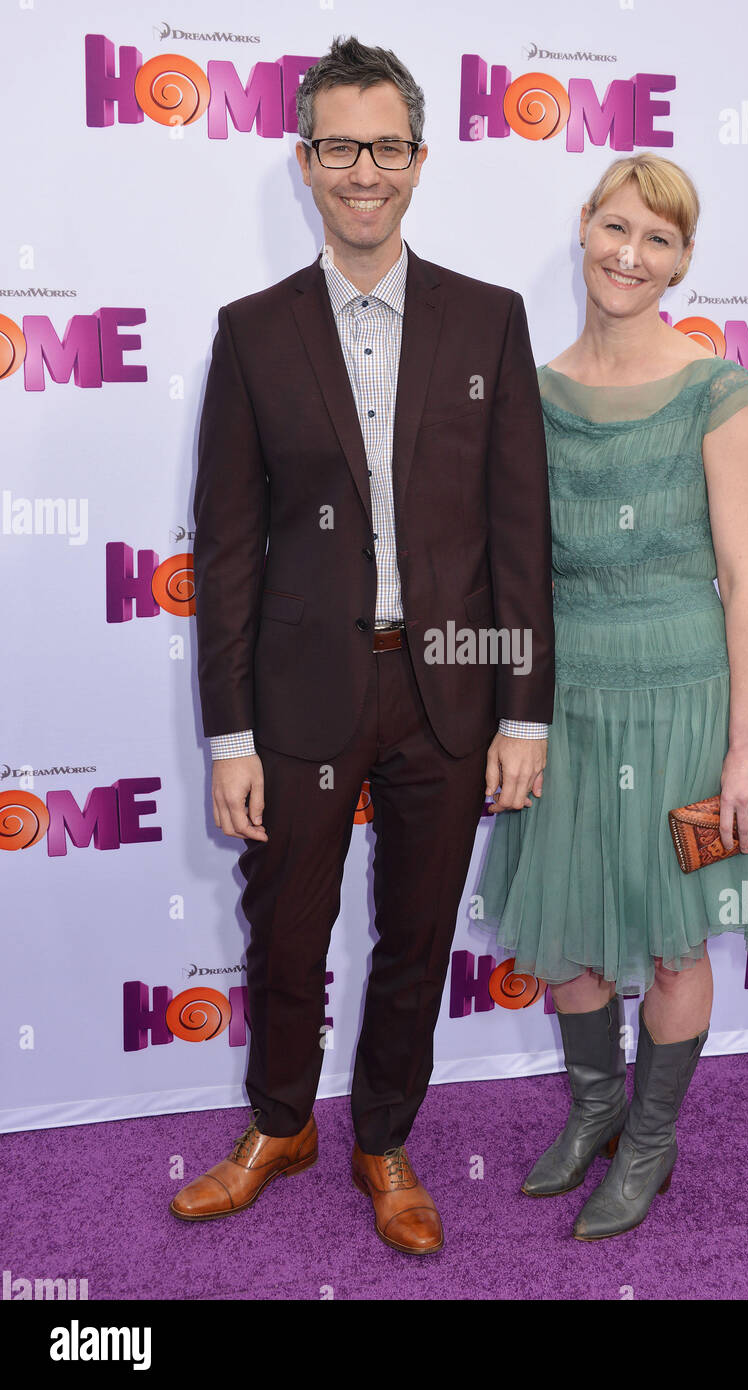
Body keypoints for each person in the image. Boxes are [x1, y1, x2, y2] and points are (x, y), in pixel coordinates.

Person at [170, 35, 554, 1256]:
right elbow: (229, 549)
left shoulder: (489, 321)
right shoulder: (254, 332)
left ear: (420, 159)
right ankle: (280, 1124)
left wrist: (525, 713)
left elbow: (518, 534)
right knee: (286, 928)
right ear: (305, 161)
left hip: (449, 690)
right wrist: (229, 734)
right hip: (299, 694)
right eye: (339, 147)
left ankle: (384, 1139)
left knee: (417, 934)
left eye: (387, 146)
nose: (364, 171)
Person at [476, 152, 748, 1241]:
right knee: (568, 925)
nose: (629, 254)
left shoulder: (716, 390)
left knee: (674, 941)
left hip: (683, 697)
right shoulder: (530, 395)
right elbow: (510, 573)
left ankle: (652, 1142)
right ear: (582, 228)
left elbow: (745, 582)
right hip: (566, 697)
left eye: (657, 239)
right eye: (615, 227)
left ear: (681, 261)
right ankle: (596, 1111)